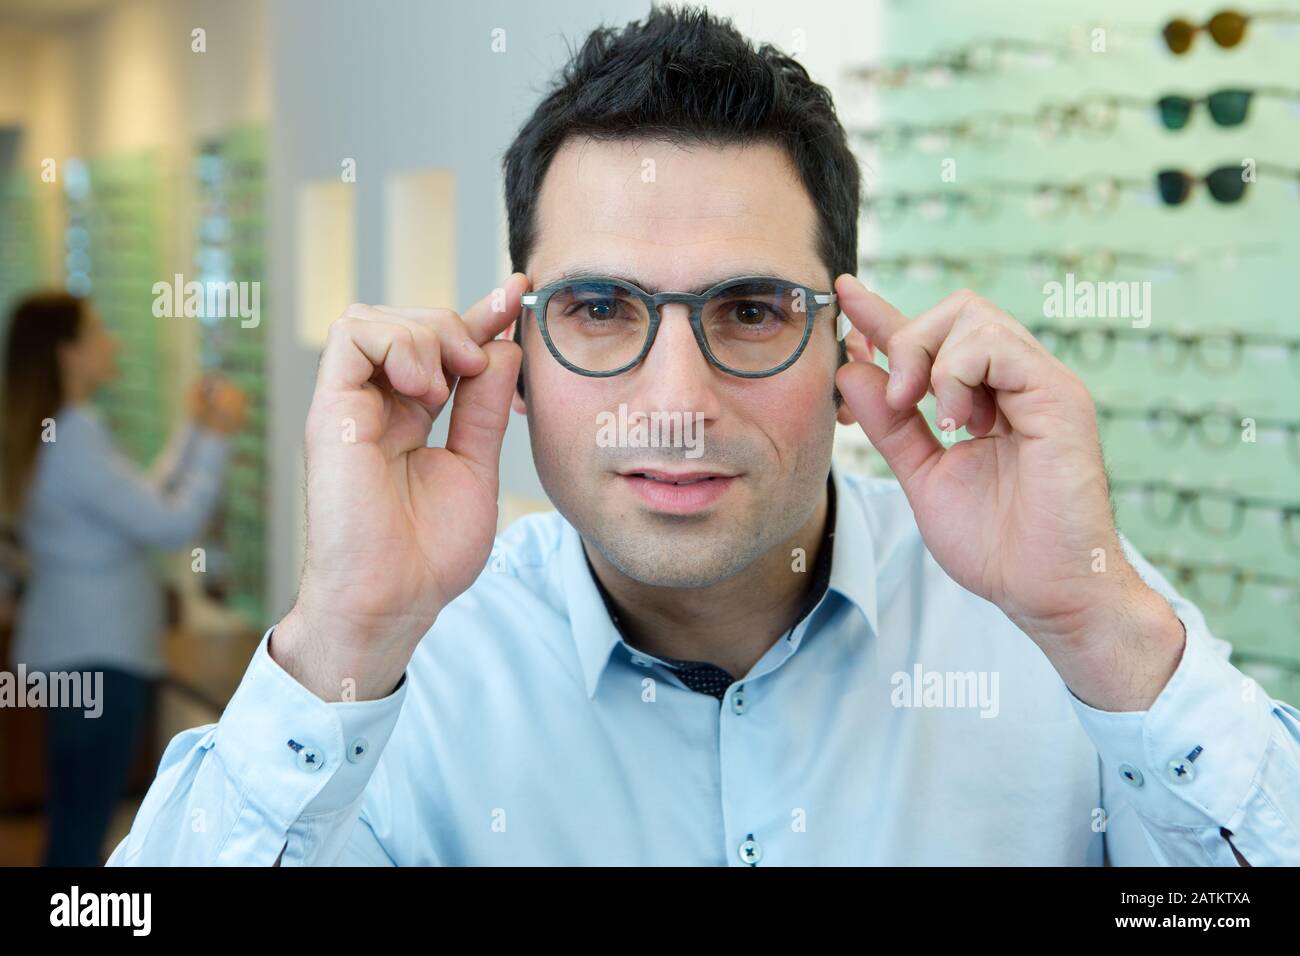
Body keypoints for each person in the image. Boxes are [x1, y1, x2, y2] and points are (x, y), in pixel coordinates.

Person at [111, 6, 1299, 866]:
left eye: (748, 309)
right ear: (512, 355)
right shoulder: (404, 674)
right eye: (599, 307)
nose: (674, 397)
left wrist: (1102, 630)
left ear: (847, 347)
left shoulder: (1069, 622)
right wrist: (342, 634)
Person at [1, 291, 245, 865]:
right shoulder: (73, 433)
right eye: (99, 331)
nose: (112, 341)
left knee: (75, 817)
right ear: (67, 351)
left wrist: (193, 430)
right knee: (82, 830)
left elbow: (137, 501)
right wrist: (217, 438)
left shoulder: (56, 429)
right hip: (99, 661)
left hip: (74, 654)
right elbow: (168, 524)